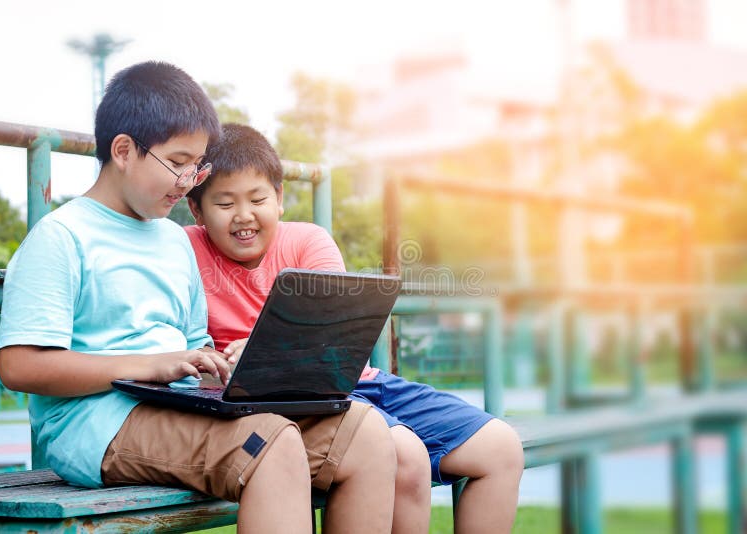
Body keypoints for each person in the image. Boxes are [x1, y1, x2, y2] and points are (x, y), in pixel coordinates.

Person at [0, 62, 396, 534]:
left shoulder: (172, 241)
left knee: (368, 435)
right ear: (124, 151)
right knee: (267, 443)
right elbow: (19, 366)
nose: (190, 180)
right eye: (179, 163)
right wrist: (149, 365)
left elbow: (192, 342)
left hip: (179, 406)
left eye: (197, 166)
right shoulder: (62, 237)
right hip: (95, 425)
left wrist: (220, 363)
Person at [185, 123, 525, 534]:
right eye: (225, 203)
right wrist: (230, 357)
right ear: (197, 210)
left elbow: (341, 342)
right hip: (280, 403)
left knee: (502, 449)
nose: (244, 216)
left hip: (354, 381)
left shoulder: (308, 242)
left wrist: (273, 349)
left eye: (257, 198)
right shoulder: (185, 252)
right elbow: (187, 349)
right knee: (406, 455)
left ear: (278, 199)